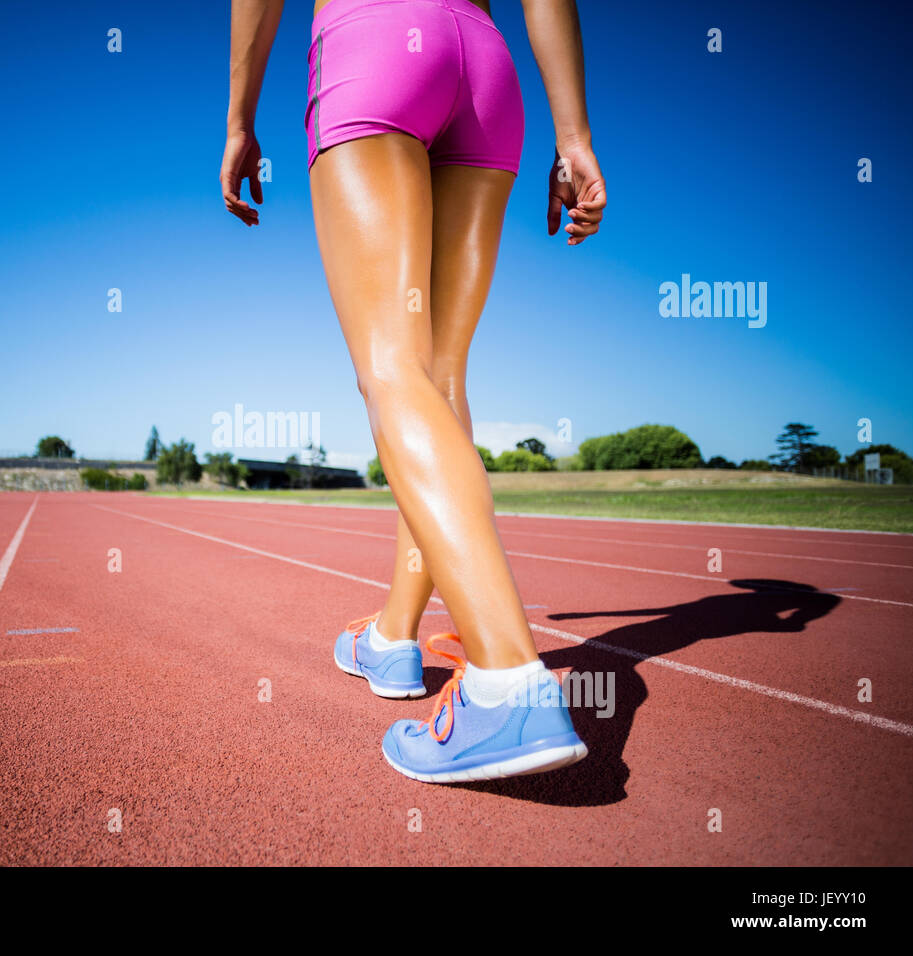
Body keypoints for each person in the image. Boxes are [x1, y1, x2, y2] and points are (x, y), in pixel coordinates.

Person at [221, 0, 605, 783]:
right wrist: (576, 140)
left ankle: (508, 683)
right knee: (441, 373)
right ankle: (394, 639)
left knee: (391, 367)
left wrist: (239, 120)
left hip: (376, 50)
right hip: (486, 73)